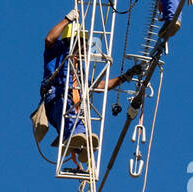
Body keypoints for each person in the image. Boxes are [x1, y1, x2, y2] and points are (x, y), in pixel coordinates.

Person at [35, 10, 143, 161]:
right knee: (68, 112)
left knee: (79, 124)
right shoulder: (58, 52)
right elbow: (49, 39)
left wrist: (126, 76)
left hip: (71, 104)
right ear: (73, 42)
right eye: (83, 45)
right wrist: (67, 19)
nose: (85, 50)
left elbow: (101, 85)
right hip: (57, 98)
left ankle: (80, 145)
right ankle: (73, 141)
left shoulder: (80, 71)